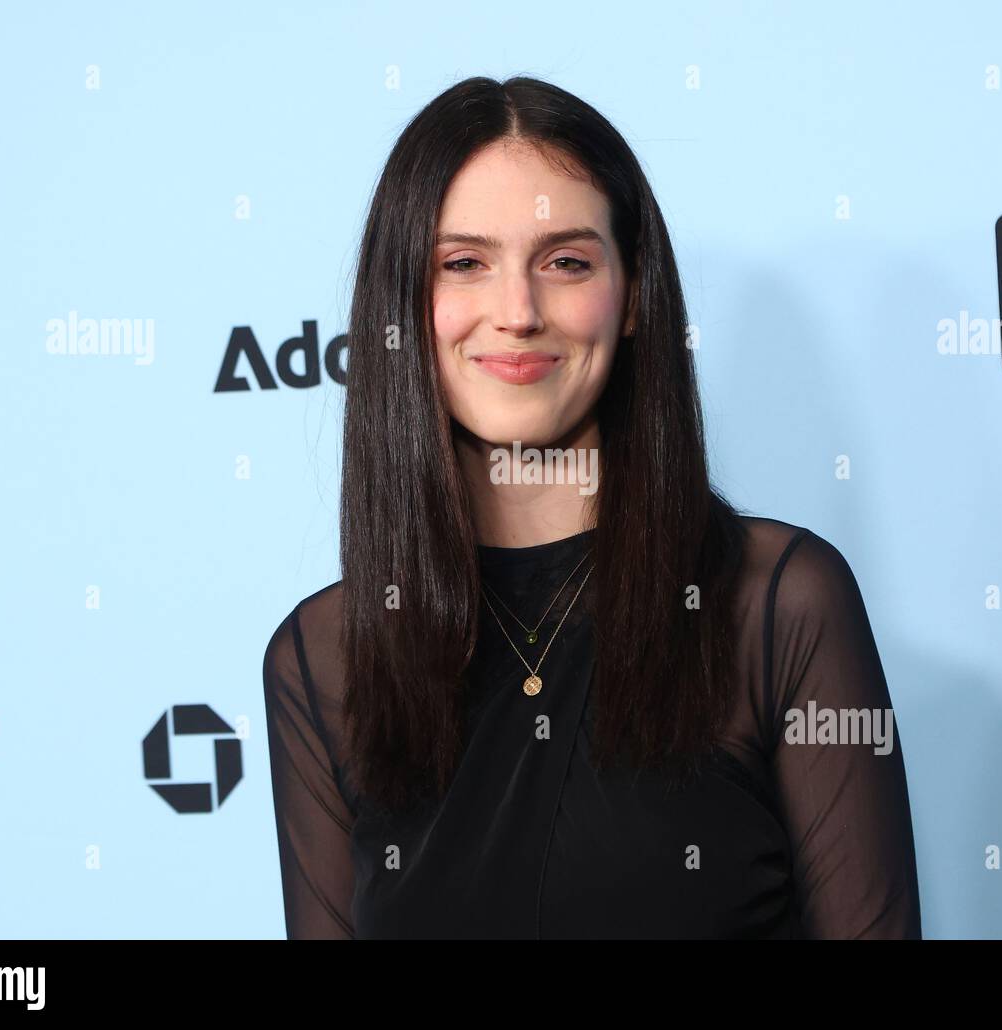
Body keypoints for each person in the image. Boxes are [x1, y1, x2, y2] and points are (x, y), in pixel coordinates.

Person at [262, 75, 922, 939]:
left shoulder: (775, 605)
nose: (518, 312)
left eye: (565, 261)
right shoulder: (326, 660)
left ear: (636, 292)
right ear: (402, 308)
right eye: (464, 264)